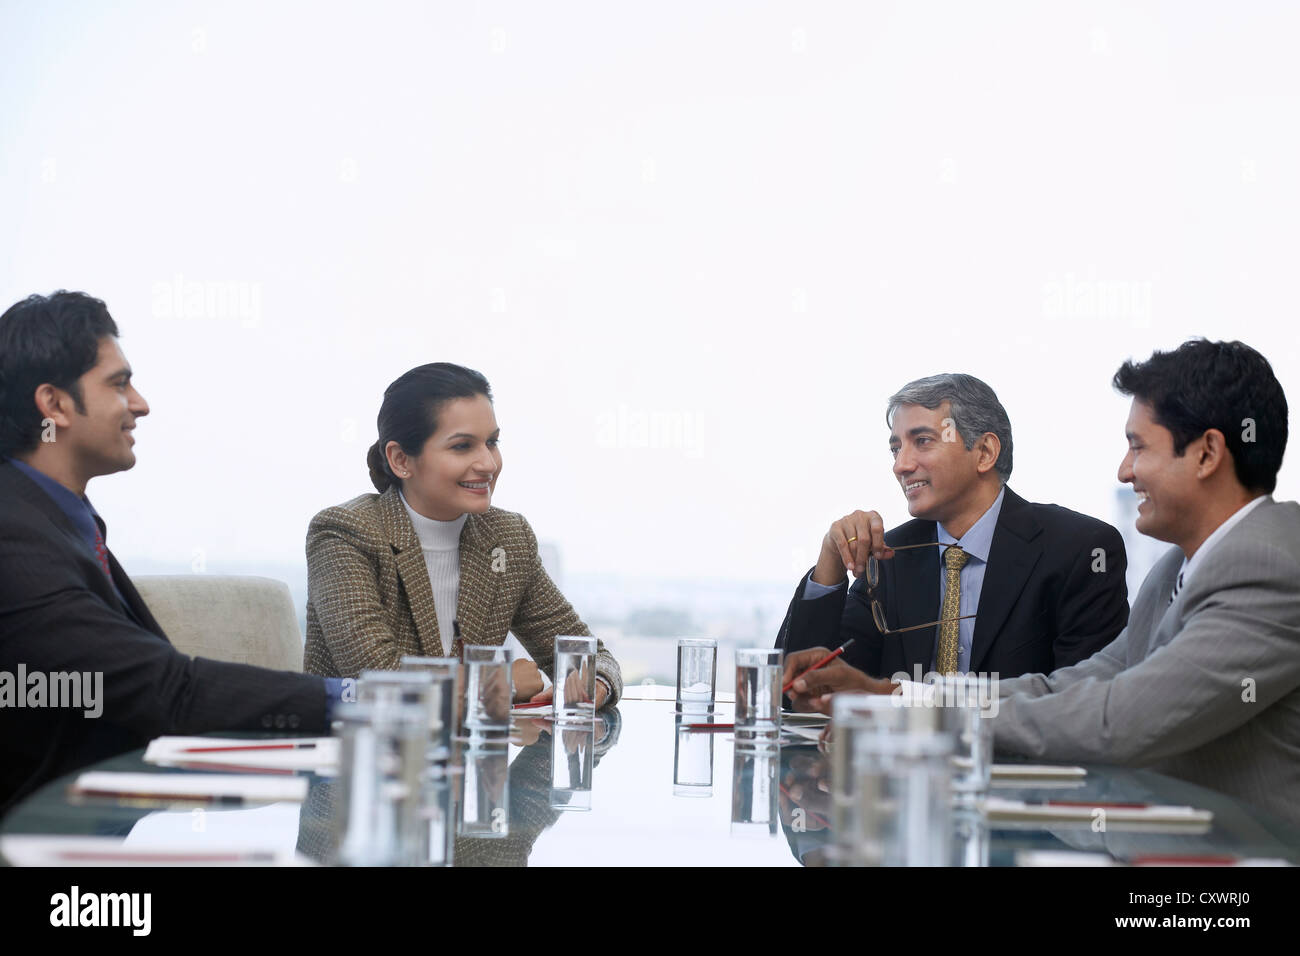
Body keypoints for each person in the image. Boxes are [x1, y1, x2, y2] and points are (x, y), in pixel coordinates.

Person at [784, 341, 1300, 827]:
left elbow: (1115, 719)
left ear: (1208, 454)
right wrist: (898, 699)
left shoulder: (1268, 568)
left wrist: (910, 718)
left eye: (1138, 448)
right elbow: (1070, 687)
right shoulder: (1175, 569)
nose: (1124, 472)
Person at [0, 291, 340, 816]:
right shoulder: (13, 532)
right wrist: (371, 701)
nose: (140, 403)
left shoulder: (63, 518)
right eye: (118, 383)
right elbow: (169, 693)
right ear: (54, 405)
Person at [304, 363, 622, 707]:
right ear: (400, 460)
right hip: (353, 751)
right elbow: (380, 680)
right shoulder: (345, 533)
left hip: (471, 755)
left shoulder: (508, 538)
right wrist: (502, 683)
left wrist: (595, 684)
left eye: (492, 442)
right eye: (462, 446)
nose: (488, 463)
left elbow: (591, 658)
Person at [776, 373, 1128, 682]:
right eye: (895, 448)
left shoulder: (1080, 549)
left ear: (985, 451)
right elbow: (802, 691)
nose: (901, 465)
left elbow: (1081, 702)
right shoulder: (889, 557)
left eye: (923, 441)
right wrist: (830, 564)